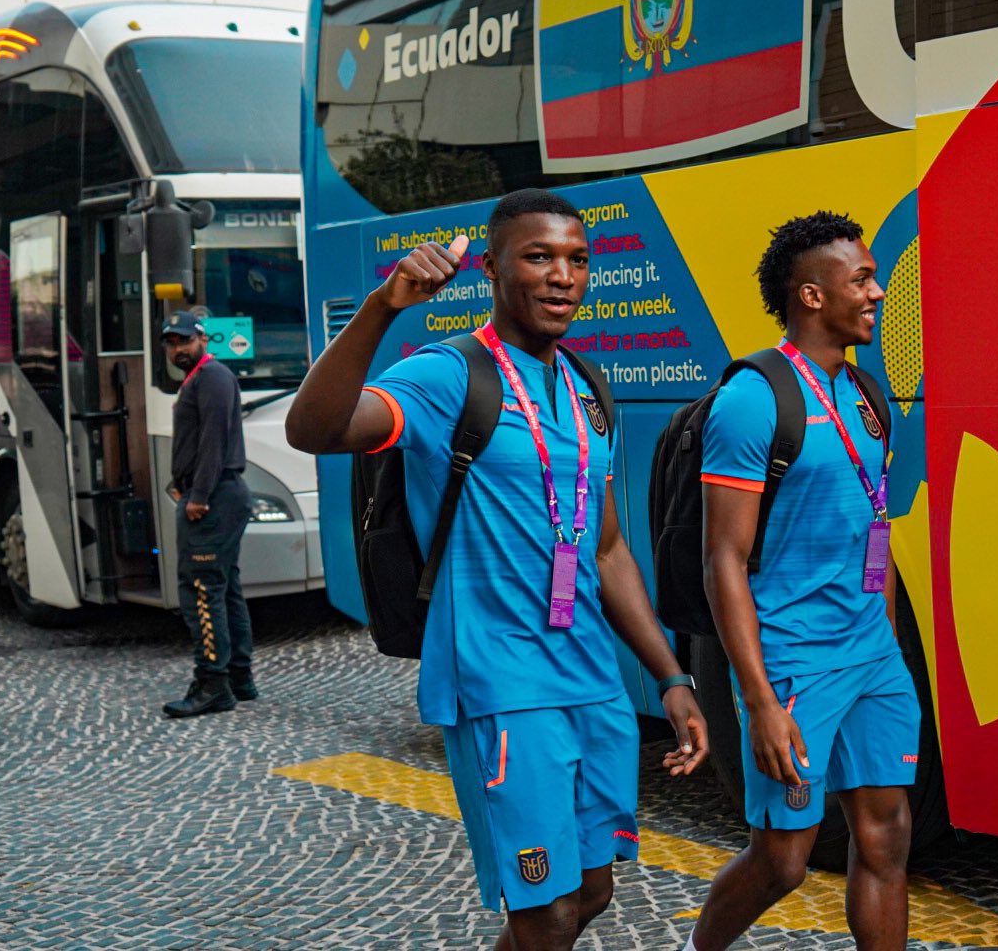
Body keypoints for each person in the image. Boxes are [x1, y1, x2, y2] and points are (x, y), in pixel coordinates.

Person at [285, 188, 708, 951]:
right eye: (538, 257)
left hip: (593, 680)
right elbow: (314, 428)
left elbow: (608, 549)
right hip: (500, 685)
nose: (562, 276)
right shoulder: (452, 374)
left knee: (593, 890)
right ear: (491, 269)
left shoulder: (587, 389)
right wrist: (384, 308)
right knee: (544, 910)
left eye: (577, 260)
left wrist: (671, 678)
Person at [686, 212, 919, 951]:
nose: (878, 293)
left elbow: (874, 527)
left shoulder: (867, 394)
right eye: (862, 280)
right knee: (784, 860)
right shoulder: (754, 399)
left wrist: (881, 635)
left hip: (870, 656)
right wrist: (758, 702)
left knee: (886, 839)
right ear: (812, 296)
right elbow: (723, 556)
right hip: (794, 662)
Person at [161, 309, 255, 719]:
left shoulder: (212, 377)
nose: (176, 348)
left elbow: (213, 442)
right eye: (170, 342)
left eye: (183, 340)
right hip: (214, 495)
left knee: (201, 590)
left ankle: (212, 684)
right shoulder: (199, 378)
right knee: (225, 587)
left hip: (214, 499)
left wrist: (197, 496)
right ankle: (238, 677)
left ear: (202, 339)